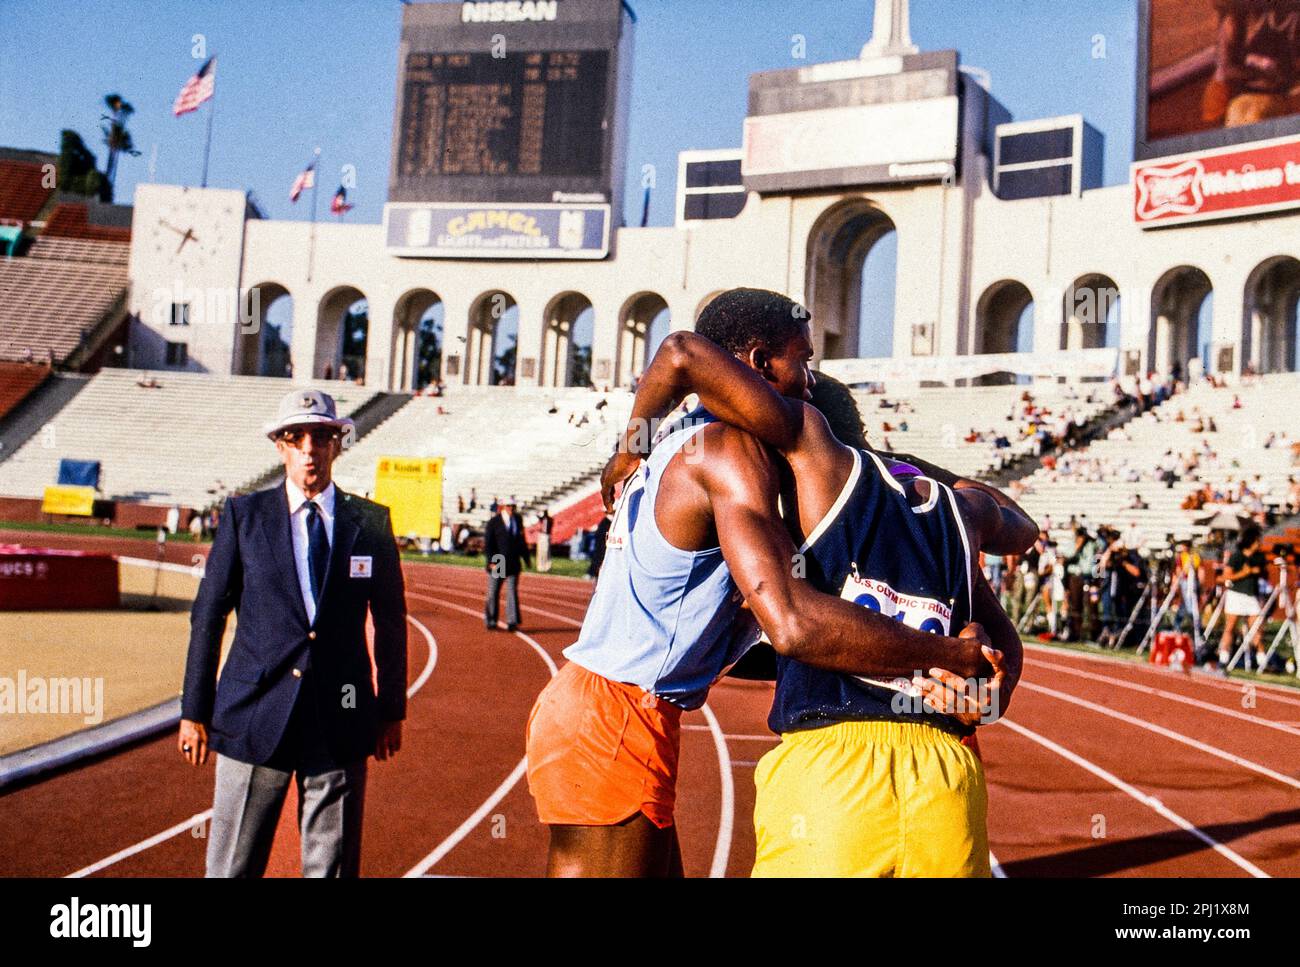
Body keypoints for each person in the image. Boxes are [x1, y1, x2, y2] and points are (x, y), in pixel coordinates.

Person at [526, 289, 1016, 878]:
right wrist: (951, 655)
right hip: (617, 712)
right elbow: (794, 625)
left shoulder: (695, 441)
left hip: (625, 708)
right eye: (802, 362)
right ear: (758, 365)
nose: (808, 381)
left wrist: (887, 468)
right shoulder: (726, 452)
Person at [179, 389, 407, 877]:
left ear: (338, 444)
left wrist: (390, 710)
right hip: (253, 714)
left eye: (321, 436)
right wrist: (194, 711)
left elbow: (389, 621)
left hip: (340, 719)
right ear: (280, 446)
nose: (310, 447)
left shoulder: (370, 523)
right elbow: (208, 616)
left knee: (332, 869)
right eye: (296, 437)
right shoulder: (244, 518)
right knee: (231, 868)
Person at [1218, 524, 1266, 669]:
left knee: (1256, 628)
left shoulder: (1259, 557)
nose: (1259, 543)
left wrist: (1255, 572)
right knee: (1230, 627)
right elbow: (1224, 577)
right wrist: (1244, 573)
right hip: (1236, 595)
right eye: (1257, 540)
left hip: (1251, 596)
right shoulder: (1236, 557)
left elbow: (1261, 573)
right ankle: (1224, 656)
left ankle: (1261, 658)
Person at [484, 498, 529, 631]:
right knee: (493, 592)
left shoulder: (518, 520)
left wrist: (526, 558)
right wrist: (491, 561)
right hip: (499, 560)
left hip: (513, 561)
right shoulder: (494, 522)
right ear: (503, 506)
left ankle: (512, 621)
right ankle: (491, 620)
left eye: (513, 506)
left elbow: (521, 540)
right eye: (509, 506)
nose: (511, 508)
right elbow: (489, 543)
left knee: (512, 592)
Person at [586, 512, 611, 579]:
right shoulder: (605, 522)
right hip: (601, 543)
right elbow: (600, 535)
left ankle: (597, 573)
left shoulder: (611, 521)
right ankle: (592, 572)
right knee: (598, 556)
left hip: (605, 543)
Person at [536, 509, 553, 573]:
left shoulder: (548, 519)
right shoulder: (544, 519)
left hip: (546, 535)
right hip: (542, 535)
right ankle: (541, 566)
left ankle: (546, 566)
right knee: (541, 552)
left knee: (546, 552)